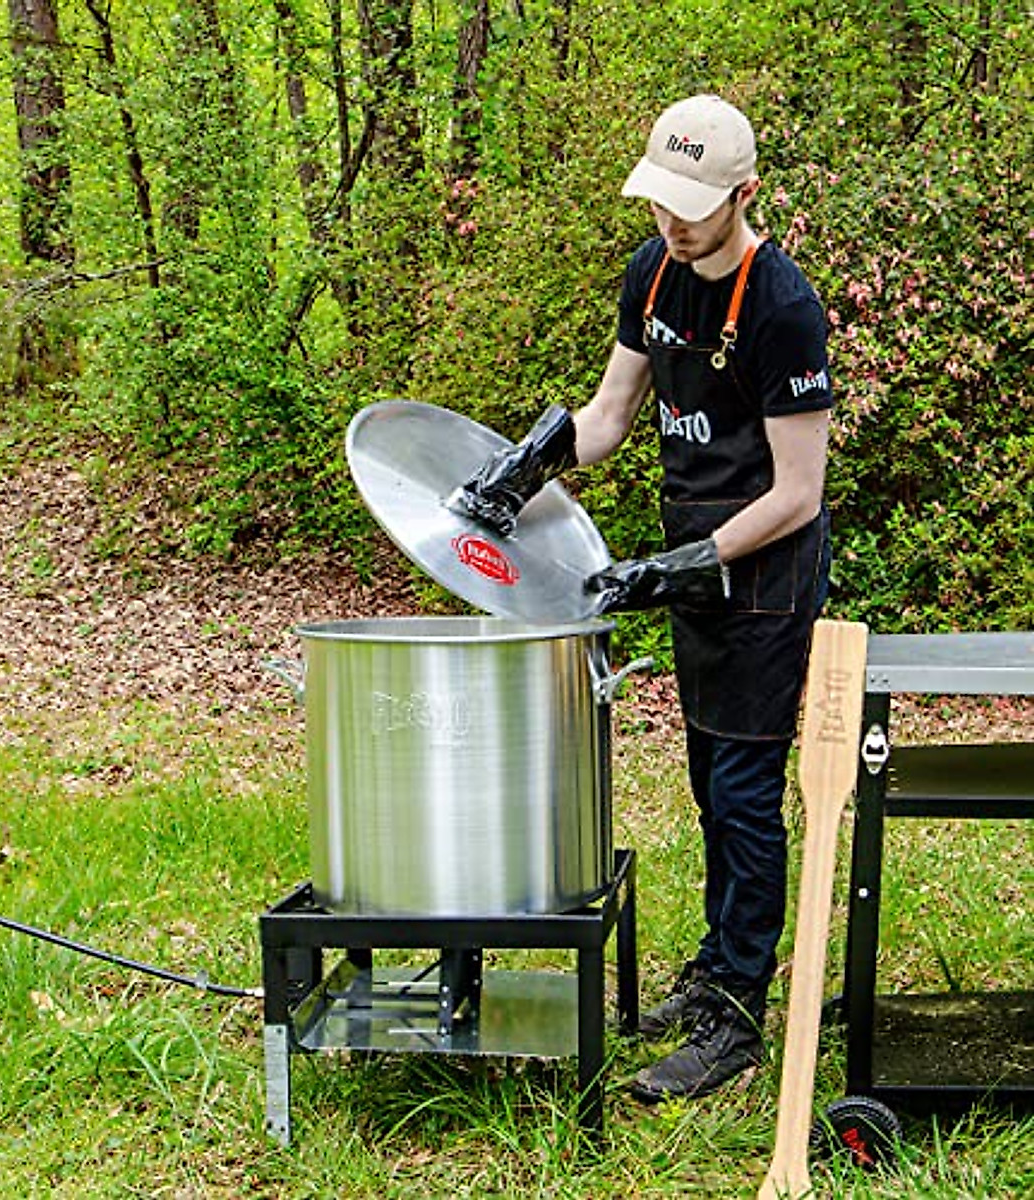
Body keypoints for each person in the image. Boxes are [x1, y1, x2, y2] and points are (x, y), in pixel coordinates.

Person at [452, 94, 833, 1100]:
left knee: (744, 795)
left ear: (745, 195)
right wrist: (526, 465)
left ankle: (736, 1015)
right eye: (661, 200)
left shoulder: (784, 308)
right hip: (691, 563)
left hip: (763, 578)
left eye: (692, 207)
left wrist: (675, 567)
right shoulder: (652, 273)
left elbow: (799, 493)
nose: (672, 221)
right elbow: (611, 415)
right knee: (710, 784)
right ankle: (715, 969)